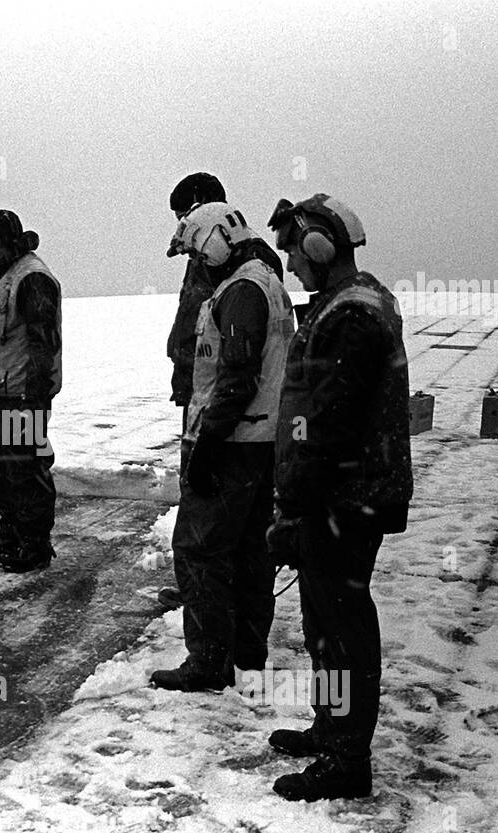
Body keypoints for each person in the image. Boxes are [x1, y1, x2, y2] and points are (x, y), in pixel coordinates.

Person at [263, 194, 413, 802]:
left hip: (345, 498)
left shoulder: (349, 316)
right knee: (327, 624)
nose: (293, 266)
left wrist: (294, 501)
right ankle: (332, 728)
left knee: (342, 626)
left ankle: (348, 758)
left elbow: (325, 424)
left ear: (322, 247)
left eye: (296, 253)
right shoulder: (349, 304)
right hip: (342, 494)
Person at [149, 202, 293, 693]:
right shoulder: (264, 282)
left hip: (231, 442)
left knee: (199, 550)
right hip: (258, 442)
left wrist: (208, 444)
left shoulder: (241, 291)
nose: (201, 264)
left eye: (199, 252)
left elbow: (236, 379)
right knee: (251, 550)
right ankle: (247, 653)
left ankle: (210, 661)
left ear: (215, 240)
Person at [0, 210, 62, 573]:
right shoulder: (0, 273)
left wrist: (34, 398)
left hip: (21, 393)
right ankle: (11, 534)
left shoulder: (32, 278)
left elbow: (43, 344)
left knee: (25, 469)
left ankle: (35, 544)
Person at [158, 173, 227, 611]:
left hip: (214, 397)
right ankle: (201, 584)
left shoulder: (222, 257)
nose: (183, 223)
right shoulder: (204, 254)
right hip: (198, 389)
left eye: (185, 212)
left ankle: (205, 589)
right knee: (198, 488)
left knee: (206, 492)